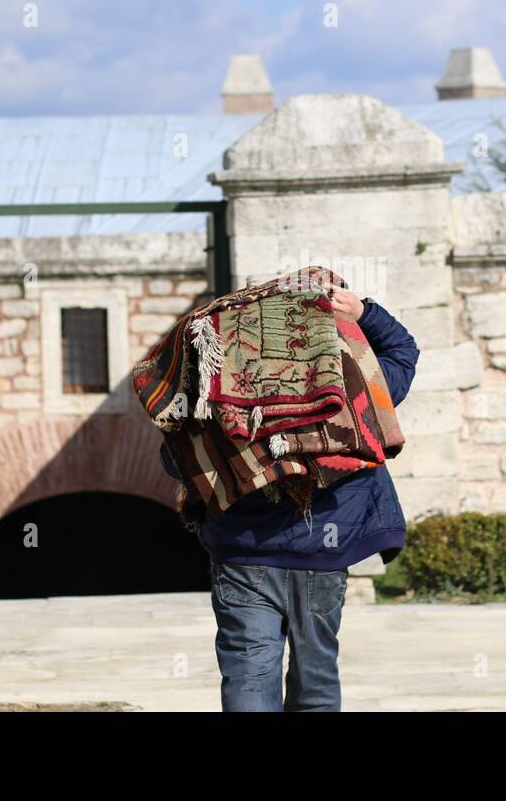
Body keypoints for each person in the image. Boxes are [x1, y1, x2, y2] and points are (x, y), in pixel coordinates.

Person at [159, 285, 419, 712]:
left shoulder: (217, 387)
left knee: (248, 673)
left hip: (243, 553)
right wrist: (363, 312)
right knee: (316, 678)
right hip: (324, 551)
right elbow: (403, 351)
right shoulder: (349, 379)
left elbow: (178, 462)